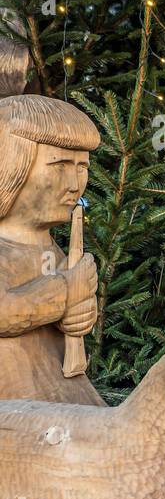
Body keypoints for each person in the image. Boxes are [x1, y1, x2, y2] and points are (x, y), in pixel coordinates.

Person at [0, 95, 101, 404]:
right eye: (59, 165)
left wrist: (81, 314)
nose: (75, 184)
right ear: (11, 165)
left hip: (63, 394)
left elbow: (71, 318)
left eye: (81, 167)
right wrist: (66, 292)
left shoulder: (54, 250)